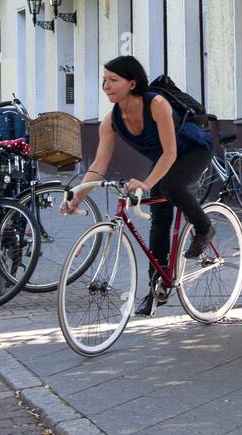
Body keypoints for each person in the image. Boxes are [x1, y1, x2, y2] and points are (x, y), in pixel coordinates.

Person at [62, 56, 214, 316]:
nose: (106, 86)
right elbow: (99, 164)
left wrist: (145, 183)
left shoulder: (156, 104)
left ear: (132, 83)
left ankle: (204, 227)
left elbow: (170, 153)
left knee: (171, 188)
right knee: (158, 219)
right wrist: (77, 195)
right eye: (104, 80)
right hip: (164, 160)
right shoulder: (111, 121)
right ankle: (157, 286)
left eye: (113, 80)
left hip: (192, 151)